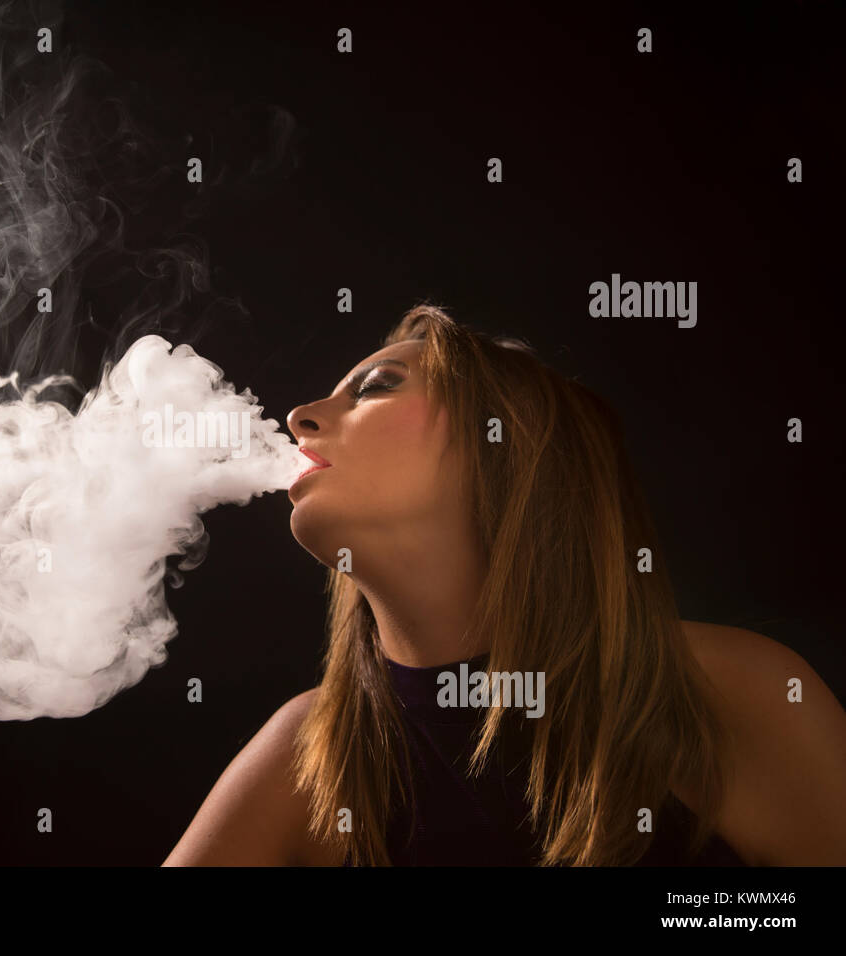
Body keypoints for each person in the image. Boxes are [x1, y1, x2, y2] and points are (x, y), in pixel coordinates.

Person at [163, 303, 846, 866]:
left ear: (511, 446)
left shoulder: (723, 691)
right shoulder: (308, 750)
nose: (301, 417)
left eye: (375, 386)